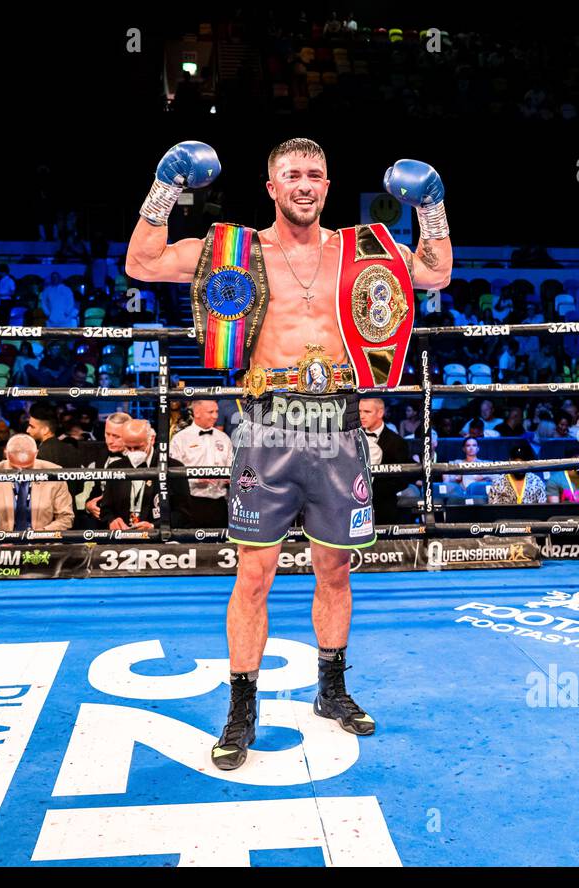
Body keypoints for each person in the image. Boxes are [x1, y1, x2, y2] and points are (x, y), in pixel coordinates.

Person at [125, 137, 452, 769]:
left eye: (316, 175)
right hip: (266, 429)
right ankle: (241, 707)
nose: (305, 184)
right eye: (291, 175)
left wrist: (432, 209)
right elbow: (143, 262)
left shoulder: (364, 250)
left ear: (327, 186)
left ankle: (332, 689)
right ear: (271, 187)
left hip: (338, 428)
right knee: (253, 577)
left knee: (336, 570)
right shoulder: (234, 251)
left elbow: (435, 272)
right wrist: (166, 187)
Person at [0, 433, 74, 532]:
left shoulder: (53, 472)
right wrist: (1, 538)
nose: (21, 472)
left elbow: (65, 517)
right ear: (6, 454)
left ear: (36, 454)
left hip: (44, 541)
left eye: (27, 468)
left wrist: (42, 534)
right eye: (15, 467)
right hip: (5, 543)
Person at [169, 400, 232, 528]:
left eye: (216, 412)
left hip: (219, 503)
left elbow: (232, 465)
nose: (215, 416)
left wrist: (230, 477)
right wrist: (196, 478)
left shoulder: (224, 438)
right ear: (197, 413)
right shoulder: (180, 439)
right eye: (211, 412)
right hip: (190, 502)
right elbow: (172, 473)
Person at [358, 397, 413, 525]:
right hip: (351, 506)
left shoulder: (397, 442)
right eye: (360, 412)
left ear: (380, 413)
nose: (362, 416)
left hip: (383, 506)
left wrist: (371, 492)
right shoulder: (350, 437)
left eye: (367, 412)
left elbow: (402, 479)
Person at [78, 411, 132, 528]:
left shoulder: (139, 459)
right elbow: (98, 489)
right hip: (103, 523)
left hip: (129, 523)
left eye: (116, 436)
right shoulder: (102, 454)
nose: (109, 441)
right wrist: (88, 505)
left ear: (129, 435)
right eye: (107, 434)